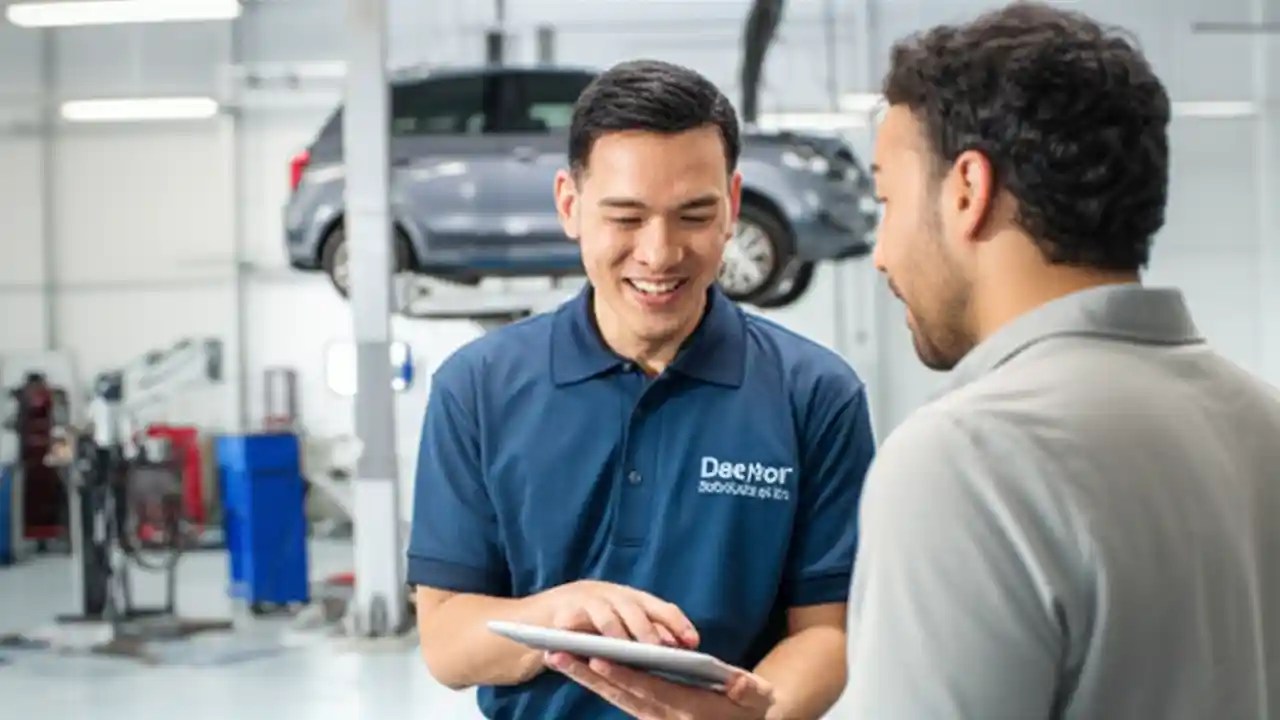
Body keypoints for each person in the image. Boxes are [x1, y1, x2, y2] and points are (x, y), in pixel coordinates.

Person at [845, 2, 1280, 718]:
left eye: (888, 200)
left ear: (967, 191)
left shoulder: (968, 460)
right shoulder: (1262, 425)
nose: (883, 253)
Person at [408, 58, 876, 720]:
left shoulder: (816, 395)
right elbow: (446, 640)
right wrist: (556, 613)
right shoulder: (477, 388)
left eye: (693, 215)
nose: (658, 254)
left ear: (732, 208)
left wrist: (756, 715)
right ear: (570, 206)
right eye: (625, 217)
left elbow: (827, 630)